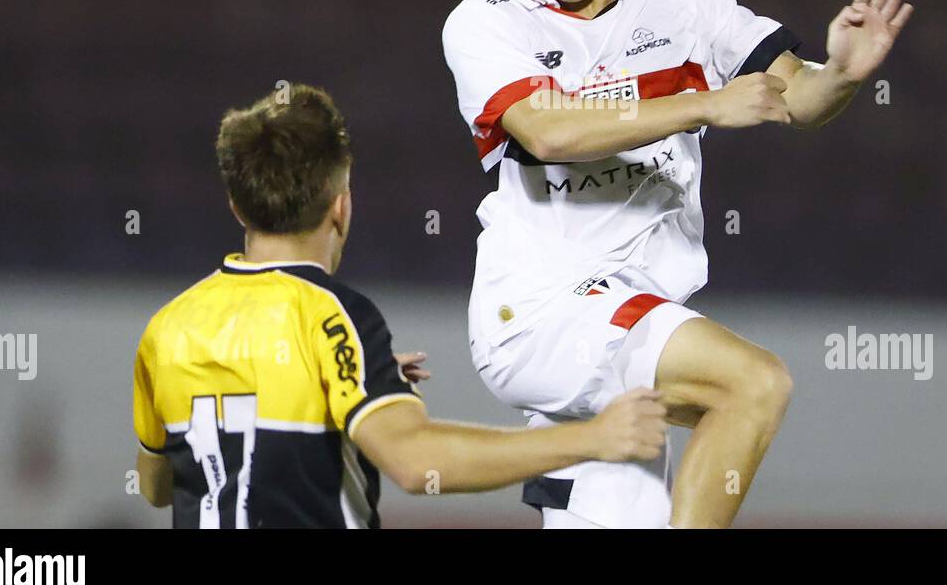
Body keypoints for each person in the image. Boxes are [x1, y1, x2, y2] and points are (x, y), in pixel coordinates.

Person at [441, 0, 913, 527]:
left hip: (628, 322)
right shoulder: (488, 24)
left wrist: (839, 73)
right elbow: (548, 133)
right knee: (752, 383)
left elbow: (794, 97)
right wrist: (704, 104)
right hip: (542, 311)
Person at [132, 83, 667, 528]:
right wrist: (595, 436)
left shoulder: (168, 328)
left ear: (237, 206)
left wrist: (348, 389)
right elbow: (415, 463)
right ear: (341, 206)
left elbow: (160, 485)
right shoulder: (335, 315)